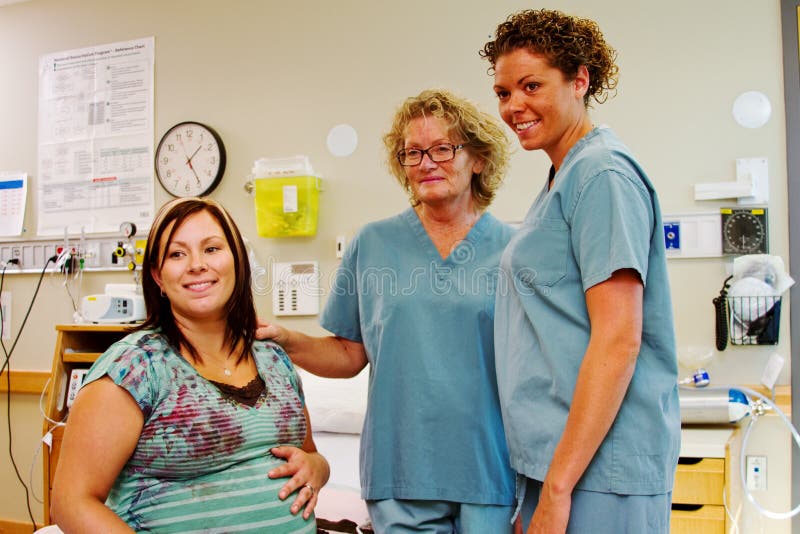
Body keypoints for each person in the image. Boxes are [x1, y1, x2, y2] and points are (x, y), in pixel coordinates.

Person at [258, 88, 516, 533]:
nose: (426, 163)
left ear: (478, 158)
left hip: (491, 469)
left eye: (443, 148)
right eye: (412, 152)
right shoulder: (372, 244)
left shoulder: (514, 250)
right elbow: (349, 354)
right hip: (402, 469)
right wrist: (287, 339)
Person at [480, 9, 680, 534]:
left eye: (531, 86)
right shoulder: (563, 177)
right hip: (564, 461)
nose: (513, 106)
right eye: (503, 92)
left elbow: (618, 340)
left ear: (580, 80)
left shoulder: (602, 175)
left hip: (599, 470)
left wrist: (560, 490)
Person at [50, 197, 329, 533]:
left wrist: (316, 468)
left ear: (238, 260)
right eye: (177, 254)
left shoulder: (274, 358)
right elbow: (71, 502)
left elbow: (311, 455)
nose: (197, 265)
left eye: (212, 249)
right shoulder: (135, 369)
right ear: (157, 275)